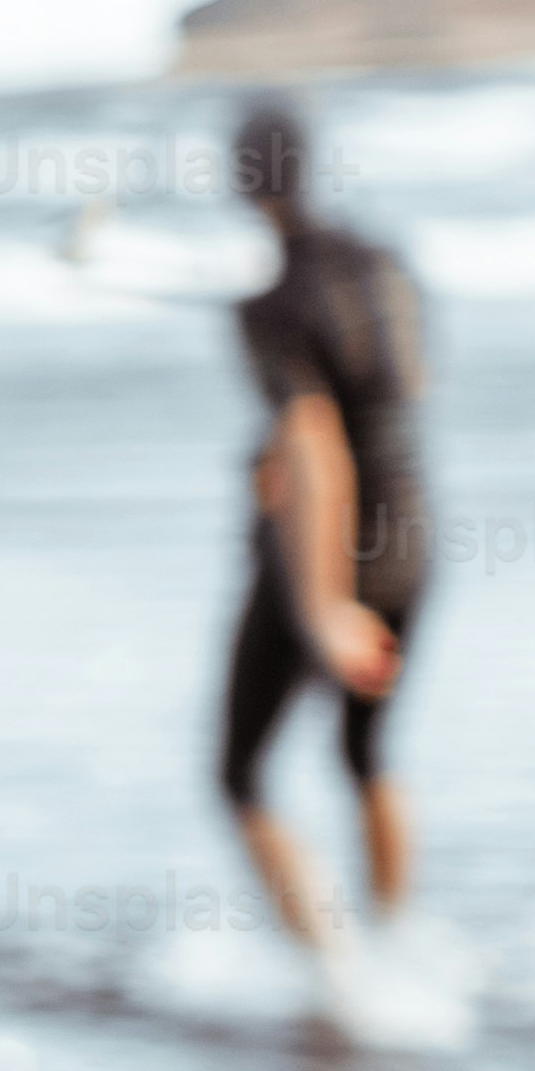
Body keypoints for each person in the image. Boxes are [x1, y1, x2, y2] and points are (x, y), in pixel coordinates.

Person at [215, 93, 430, 961]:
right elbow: (392, 395)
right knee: (366, 754)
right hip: (411, 537)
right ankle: (399, 947)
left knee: (239, 775)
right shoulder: (384, 265)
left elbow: (315, 443)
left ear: (239, 180)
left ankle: (338, 981)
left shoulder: (266, 305)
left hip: (324, 558)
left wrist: (323, 607)